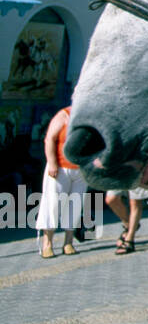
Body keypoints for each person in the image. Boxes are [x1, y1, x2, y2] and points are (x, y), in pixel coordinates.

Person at [35, 107, 85, 259]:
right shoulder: (63, 115)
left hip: (80, 170)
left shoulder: (90, 117)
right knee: (53, 205)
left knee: (75, 206)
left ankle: (68, 242)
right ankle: (47, 244)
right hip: (60, 168)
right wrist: (52, 163)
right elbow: (49, 138)